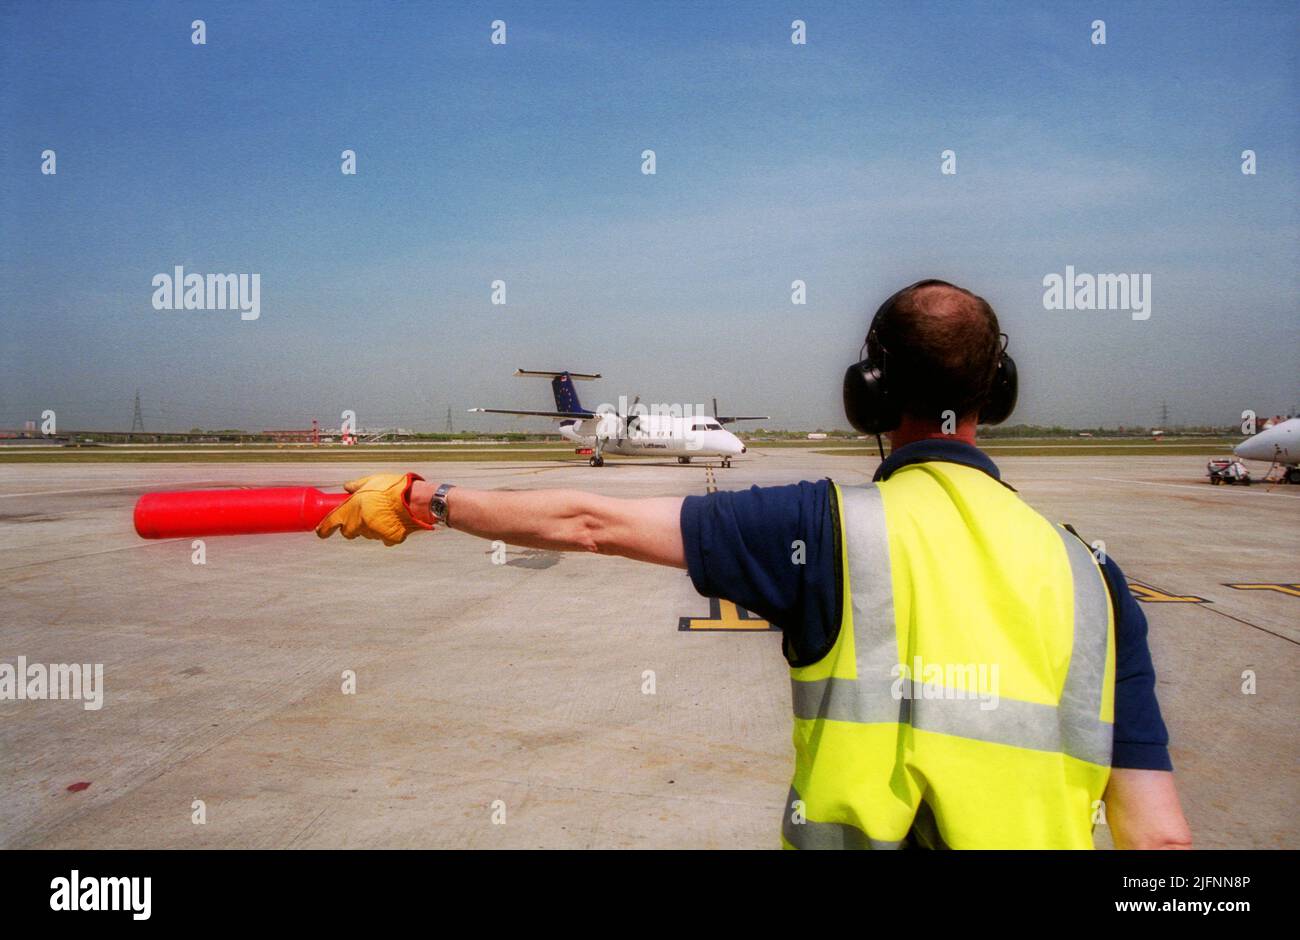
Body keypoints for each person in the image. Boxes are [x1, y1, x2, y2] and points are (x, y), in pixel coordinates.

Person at [317, 279, 1192, 850]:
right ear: (996, 394)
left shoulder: (822, 526)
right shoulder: (1093, 578)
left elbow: (588, 522)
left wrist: (427, 498)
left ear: (868, 396)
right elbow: (1161, 842)